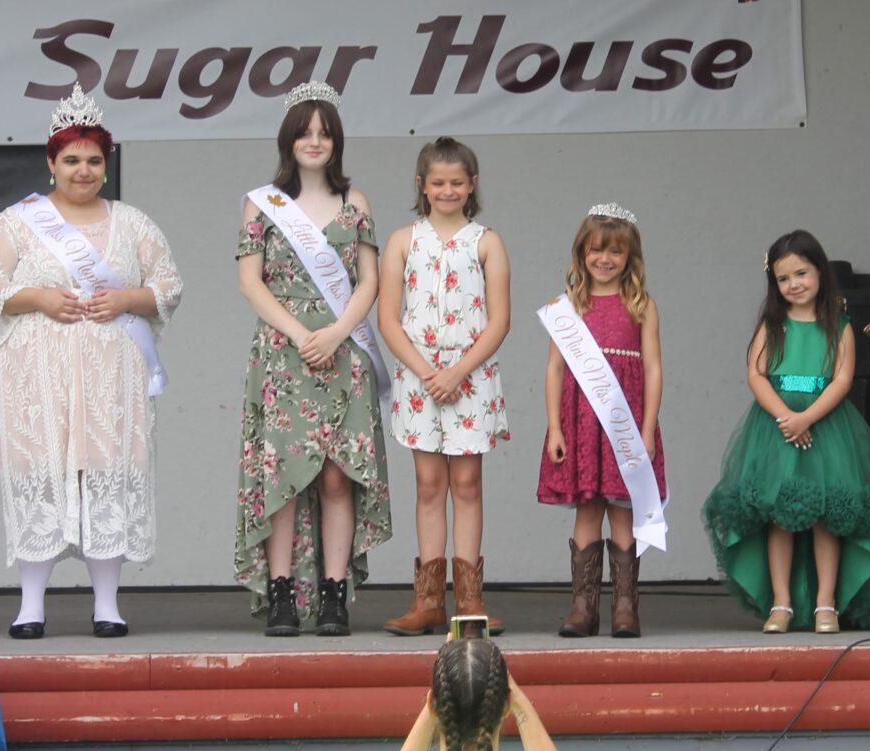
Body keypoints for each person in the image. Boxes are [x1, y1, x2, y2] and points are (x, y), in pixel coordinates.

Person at [0, 83, 183, 639]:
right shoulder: (17, 223)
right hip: (37, 375)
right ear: (50, 163)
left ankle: (107, 605)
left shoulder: (133, 224)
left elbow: (168, 284)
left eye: (92, 160)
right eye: (71, 160)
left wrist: (128, 298)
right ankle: (31, 605)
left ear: (106, 166)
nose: (82, 171)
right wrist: (36, 297)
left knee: (104, 473)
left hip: (112, 374)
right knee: (39, 475)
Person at [234, 81, 391, 636]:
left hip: (342, 352)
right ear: (289, 137)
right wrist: (304, 334)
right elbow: (250, 283)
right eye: (305, 131)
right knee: (283, 478)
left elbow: (370, 280)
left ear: (336, 139)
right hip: (283, 352)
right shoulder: (262, 202)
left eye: (324, 132)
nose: (315, 141)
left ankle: (333, 595)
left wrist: (336, 333)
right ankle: (280, 595)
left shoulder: (357, 203)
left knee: (334, 479)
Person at [702, 230, 870, 633]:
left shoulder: (839, 326)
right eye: (783, 278)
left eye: (801, 273)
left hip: (825, 425)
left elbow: (842, 380)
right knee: (780, 515)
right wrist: (785, 417)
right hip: (776, 429)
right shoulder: (773, 325)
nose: (793, 284)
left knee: (827, 516)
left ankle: (826, 604)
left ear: (820, 273)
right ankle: (782, 604)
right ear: (774, 284)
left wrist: (807, 417)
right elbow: (756, 375)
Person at [378, 137, 511, 636]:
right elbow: (389, 320)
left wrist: (458, 371)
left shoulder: (487, 242)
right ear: (422, 186)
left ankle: (470, 601)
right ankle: (428, 601)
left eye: (457, 182)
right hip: (419, 381)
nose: (448, 190)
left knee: (468, 485)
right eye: (438, 183)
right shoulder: (402, 241)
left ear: (472, 184)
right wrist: (427, 372)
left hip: (471, 378)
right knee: (429, 486)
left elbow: (499, 321)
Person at [537, 203, 667, 638]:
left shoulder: (642, 305)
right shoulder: (567, 307)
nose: (605, 260)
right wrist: (555, 426)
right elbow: (555, 369)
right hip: (581, 421)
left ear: (630, 257)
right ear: (581, 253)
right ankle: (583, 608)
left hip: (624, 422)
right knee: (588, 509)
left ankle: (625, 608)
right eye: (596, 250)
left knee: (623, 512)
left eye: (615, 252)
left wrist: (647, 429)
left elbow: (652, 368)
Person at [401, 637, 557, 751]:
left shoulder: (434, 705)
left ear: (432, 705)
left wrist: (441, 689)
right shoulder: (510, 701)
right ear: (506, 705)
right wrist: (518, 701)